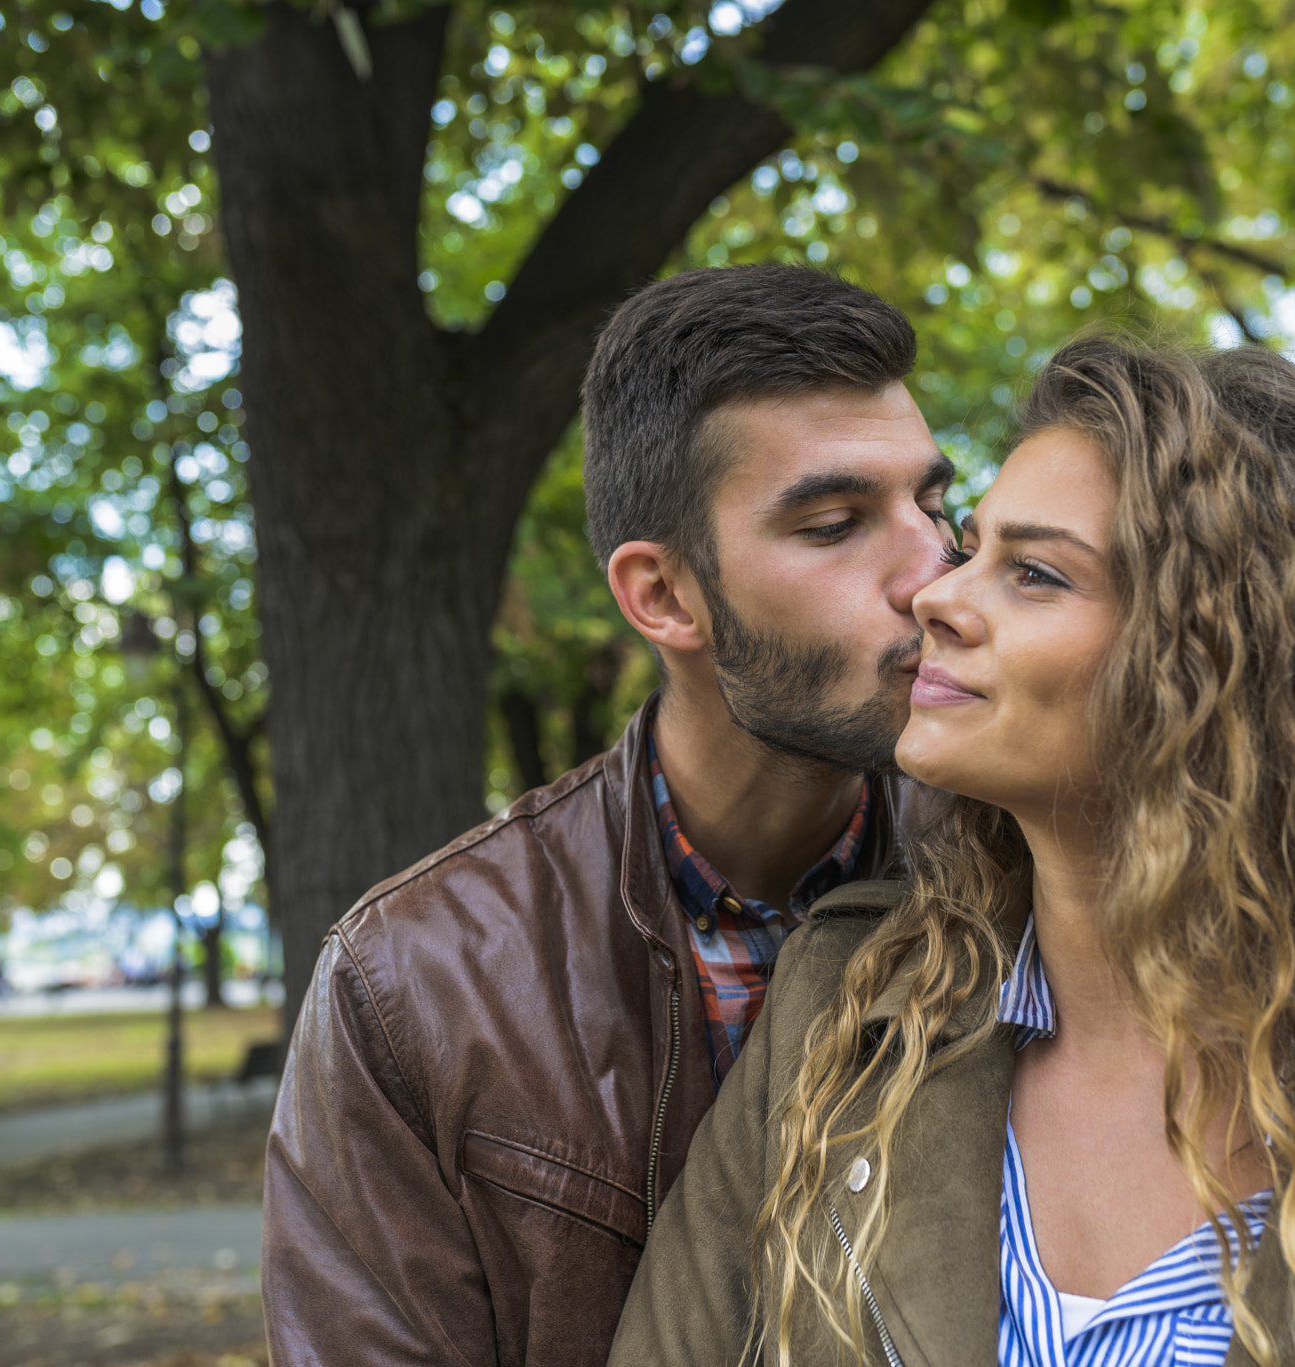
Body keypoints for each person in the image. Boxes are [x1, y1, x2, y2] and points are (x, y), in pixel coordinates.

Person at [608, 334, 1295, 1367]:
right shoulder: (847, 1012)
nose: (935, 595)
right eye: (973, 542)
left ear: (1230, 663)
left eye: (1032, 574)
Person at [262, 264, 962, 1367]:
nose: (934, 576)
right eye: (834, 524)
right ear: (662, 597)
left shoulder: (1025, 874)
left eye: (932, 502)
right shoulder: (411, 983)